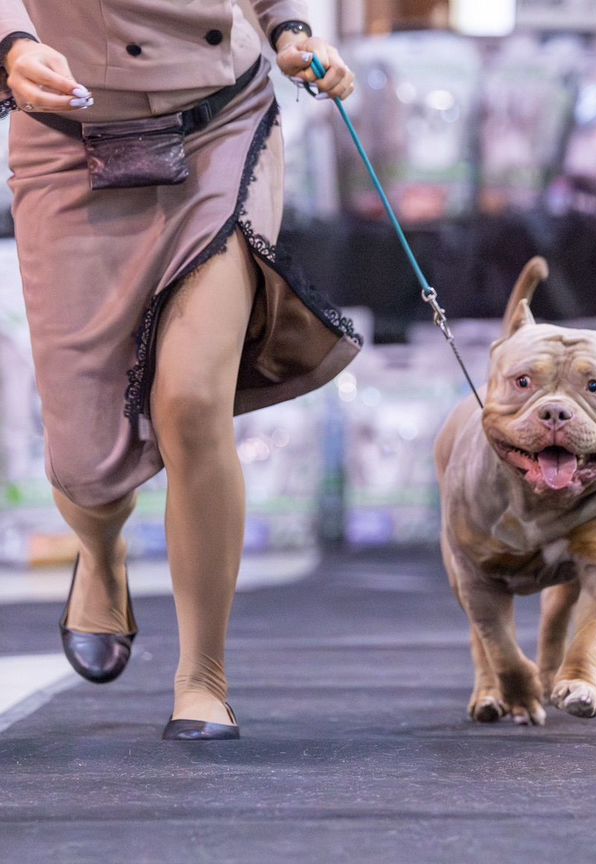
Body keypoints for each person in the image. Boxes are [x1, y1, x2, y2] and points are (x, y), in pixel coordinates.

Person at [0, 0, 361, 739]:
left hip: (220, 126)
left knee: (193, 399)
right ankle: (101, 551)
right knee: (85, 468)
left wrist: (289, 29)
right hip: (70, 139)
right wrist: (11, 45)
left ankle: (203, 676)